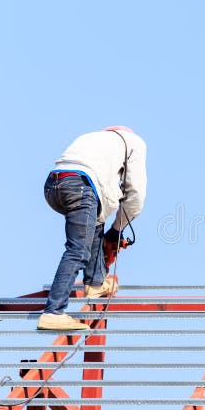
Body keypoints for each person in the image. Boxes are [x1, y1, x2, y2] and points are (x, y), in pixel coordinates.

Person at [38, 126, 147, 330]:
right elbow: (136, 196)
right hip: (80, 186)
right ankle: (53, 312)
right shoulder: (134, 143)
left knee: (94, 220)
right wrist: (117, 230)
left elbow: (102, 199)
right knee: (78, 250)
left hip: (53, 187)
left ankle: (95, 283)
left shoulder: (93, 139)